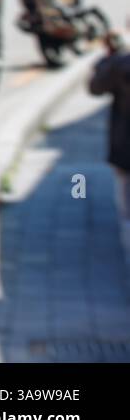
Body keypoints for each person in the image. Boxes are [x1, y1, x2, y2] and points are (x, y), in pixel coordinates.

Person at [89, 32, 130, 260]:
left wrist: (109, 58)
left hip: (125, 151)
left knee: (128, 215)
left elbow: (95, 87)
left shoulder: (121, 63)